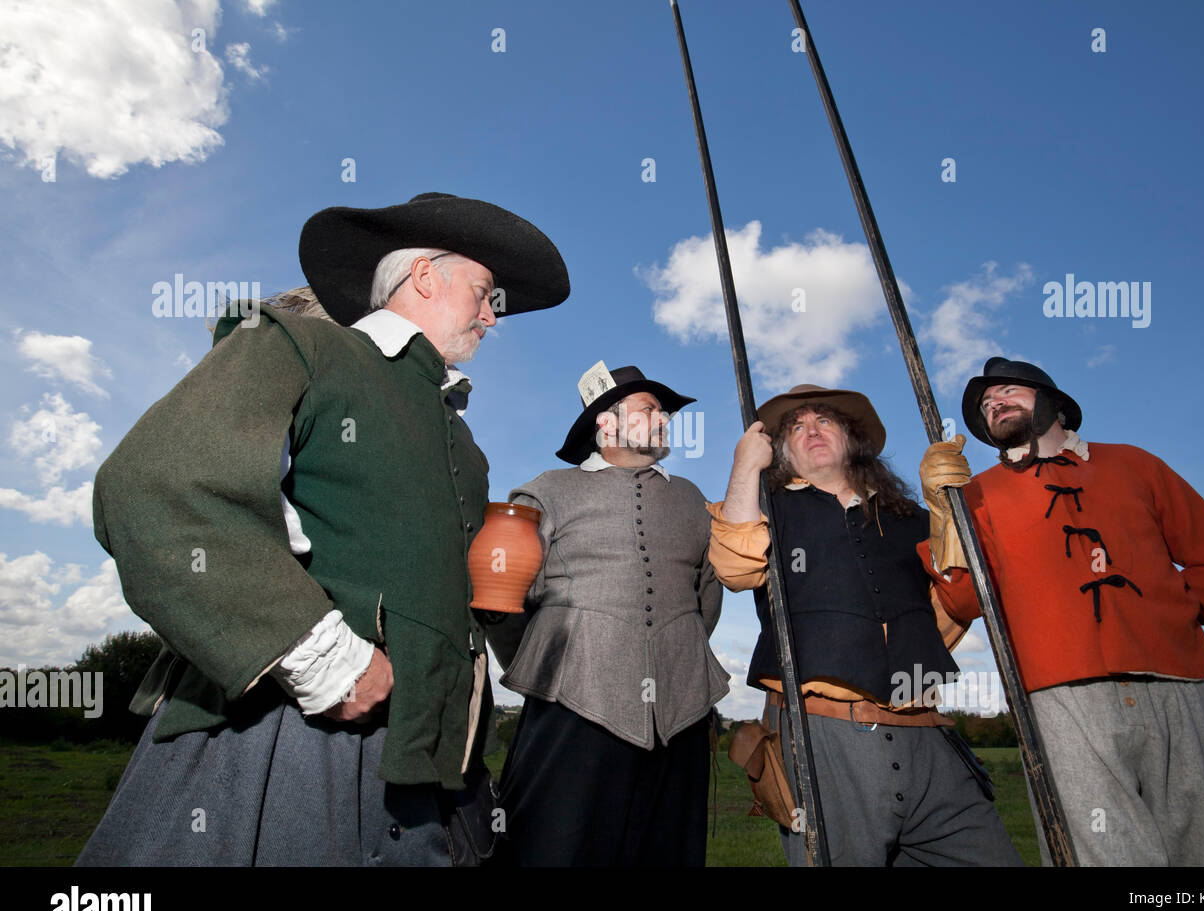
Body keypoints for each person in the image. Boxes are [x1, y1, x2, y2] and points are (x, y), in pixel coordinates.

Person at [76, 192, 569, 866]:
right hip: (286, 741)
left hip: (422, 769)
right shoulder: (301, 345)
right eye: (485, 293)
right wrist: (326, 663)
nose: (492, 315)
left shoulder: (463, 440)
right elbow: (159, 485)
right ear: (425, 275)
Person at [918, 356, 1204, 866]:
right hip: (1059, 697)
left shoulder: (1135, 464)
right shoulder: (975, 496)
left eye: (1008, 390)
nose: (995, 402)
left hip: (1178, 683)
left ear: (1054, 403)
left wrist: (1168, 616)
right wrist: (944, 516)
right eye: (987, 403)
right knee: (1102, 854)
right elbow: (965, 600)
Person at [709, 384, 1022, 866]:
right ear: (781, 452)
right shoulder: (765, 513)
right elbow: (735, 569)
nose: (811, 431)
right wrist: (745, 466)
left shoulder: (911, 517)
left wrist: (948, 515)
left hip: (929, 734)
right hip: (823, 736)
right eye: (795, 427)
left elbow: (961, 601)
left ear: (852, 439)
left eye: (824, 421)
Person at [490, 362, 727, 866]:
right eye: (649, 410)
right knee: (553, 848)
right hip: (572, 708)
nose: (664, 419)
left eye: (664, 411)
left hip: (680, 713)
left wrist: (671, 653)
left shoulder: (692, 500)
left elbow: (706, 598)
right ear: (606, 422)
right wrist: (549, 667)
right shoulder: (546, 490)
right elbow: (503, 598)